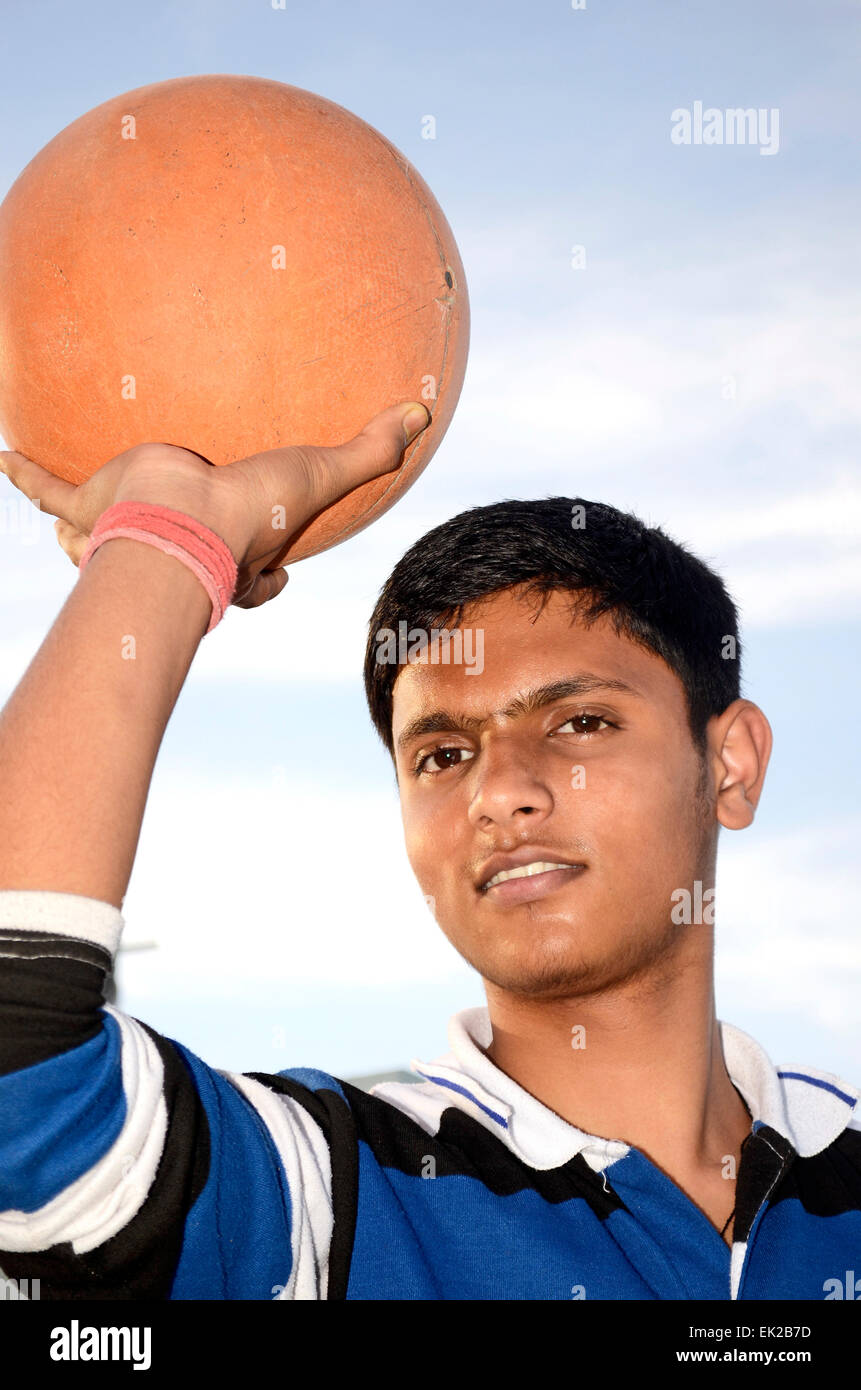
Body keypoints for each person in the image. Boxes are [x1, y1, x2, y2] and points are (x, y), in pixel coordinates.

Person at [0, 404, 858, 1301]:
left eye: (580, 722)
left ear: (731, 766)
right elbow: (21, 1080)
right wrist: (173, 528)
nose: (498, 792)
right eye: (443, 756)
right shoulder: (328, 1204)